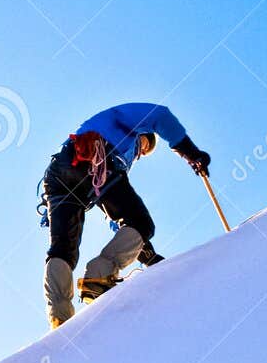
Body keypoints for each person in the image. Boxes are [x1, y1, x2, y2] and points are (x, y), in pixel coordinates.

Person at [40, 102, 210, 327]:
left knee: (62, 247)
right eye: (144, 145)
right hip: (95, 157)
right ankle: (98, 277)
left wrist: (146, 254)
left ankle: (59, 315)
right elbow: (160, 114)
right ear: (142, 133)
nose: (140, 153)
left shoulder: (116, 152)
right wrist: (192, 153)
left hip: (59, 176)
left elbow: (116, 219)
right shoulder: (123, 121)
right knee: (141, 222)